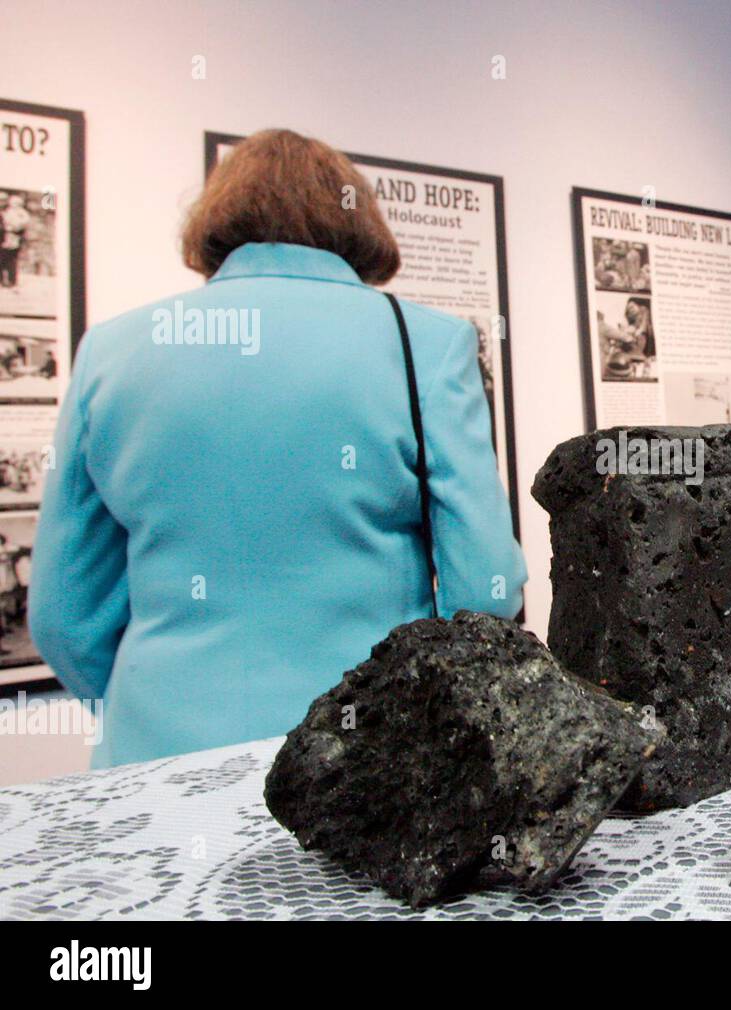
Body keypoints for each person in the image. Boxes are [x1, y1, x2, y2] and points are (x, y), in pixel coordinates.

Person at [31, 129, 526, 767]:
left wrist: (146, 701)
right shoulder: (428, 344)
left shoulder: (112, 351)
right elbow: (485, 588)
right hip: (363, 757)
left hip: (156, 753)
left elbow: (61, 616)